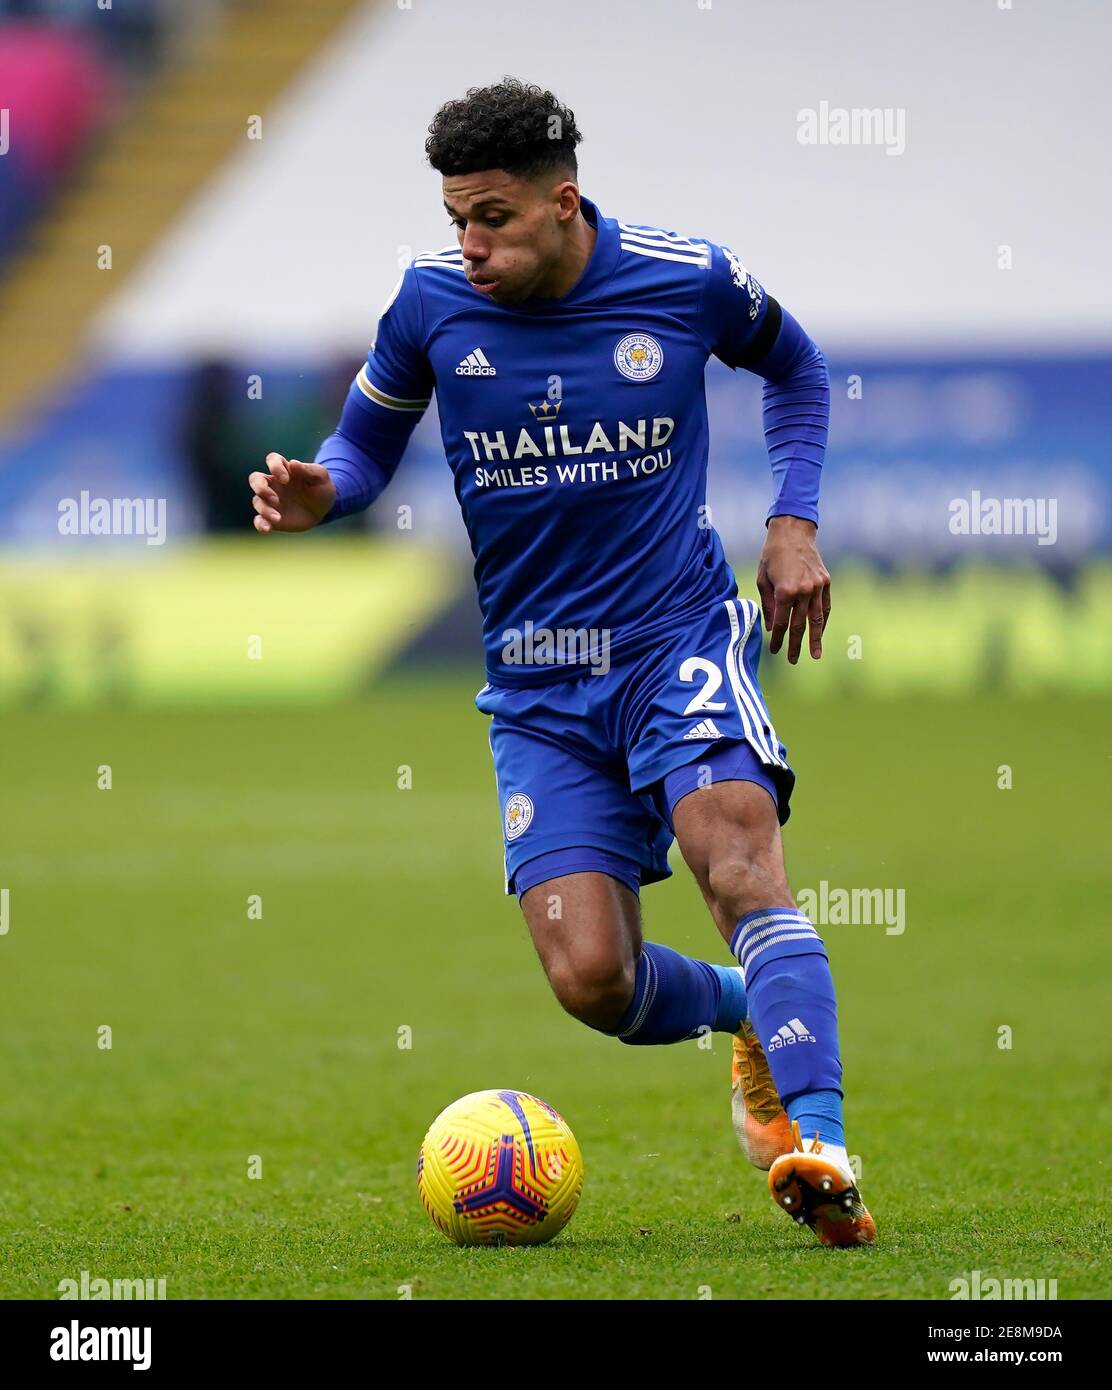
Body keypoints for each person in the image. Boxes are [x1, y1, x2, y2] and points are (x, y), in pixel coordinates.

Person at [249, 77, 874, 1246]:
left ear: (561, 202)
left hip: (672, 639)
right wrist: (321, 488)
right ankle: (751, 1016)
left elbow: (795, 366)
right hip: (537, 682)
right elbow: (366, 440)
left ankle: (820, 1144)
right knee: (593, 980)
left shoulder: (685, 280)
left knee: (734, 860)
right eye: (454, 221)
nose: (469, 246)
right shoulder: (429, 305)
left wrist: (793, 521)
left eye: (490, 218)